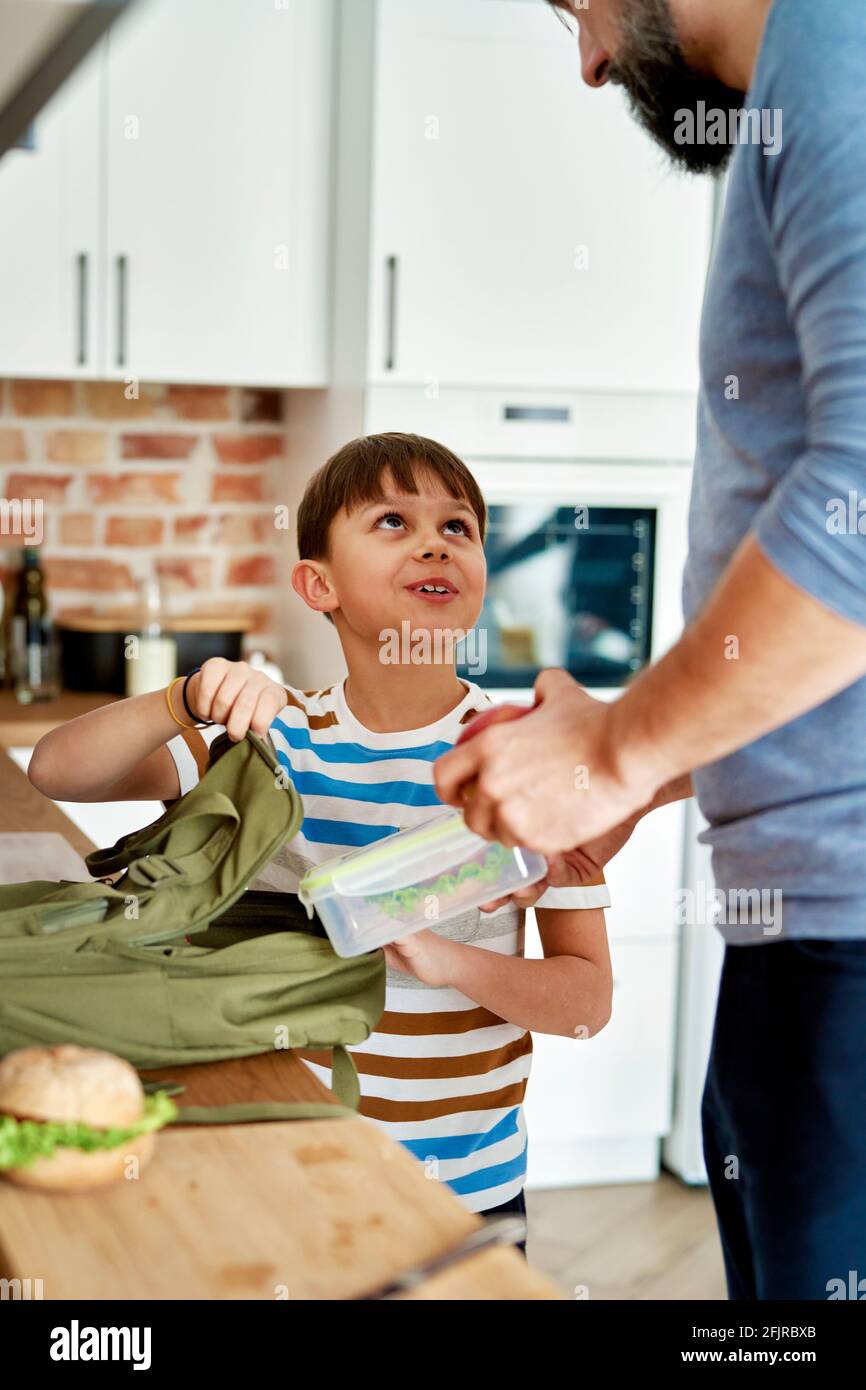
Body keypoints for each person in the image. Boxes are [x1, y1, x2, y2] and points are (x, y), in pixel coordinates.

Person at [434, 0, 866, 1301]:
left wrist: (620, 749)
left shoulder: (840, 49)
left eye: (571, 6)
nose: (585, 61)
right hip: (809, 917)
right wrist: (639, 752)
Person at [27, 432, 613, 1256]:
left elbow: (587, 1004)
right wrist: (186, 696)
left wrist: (448, 961)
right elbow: (59, 771)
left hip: (469, 1185)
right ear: (318, 584)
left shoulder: (530, 758)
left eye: (459, 527)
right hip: (285, 1147)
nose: (434, 542)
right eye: (391, 522)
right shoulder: (272, 743)